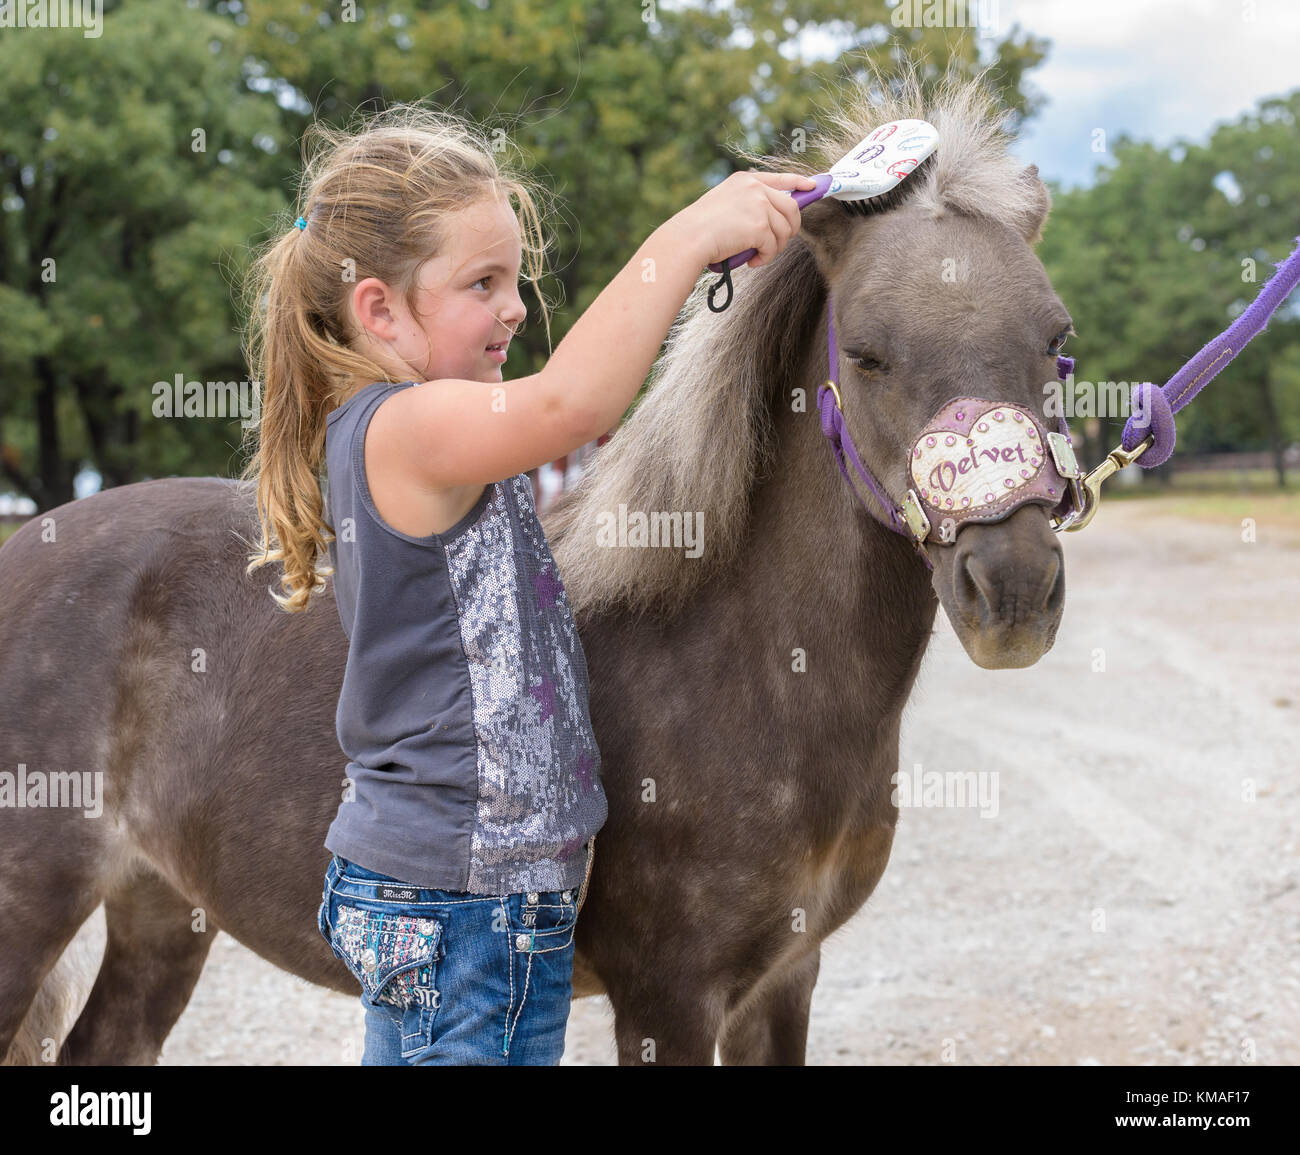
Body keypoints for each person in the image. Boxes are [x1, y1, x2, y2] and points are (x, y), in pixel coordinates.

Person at [238, 104, 814, 1065]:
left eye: (515, 279)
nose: (515, 306)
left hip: (484, 898)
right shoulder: (406, 430)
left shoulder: (430, 432)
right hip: (458, 908)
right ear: (378, 309)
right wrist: (690, 234)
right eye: (483, 283)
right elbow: (573, 402)